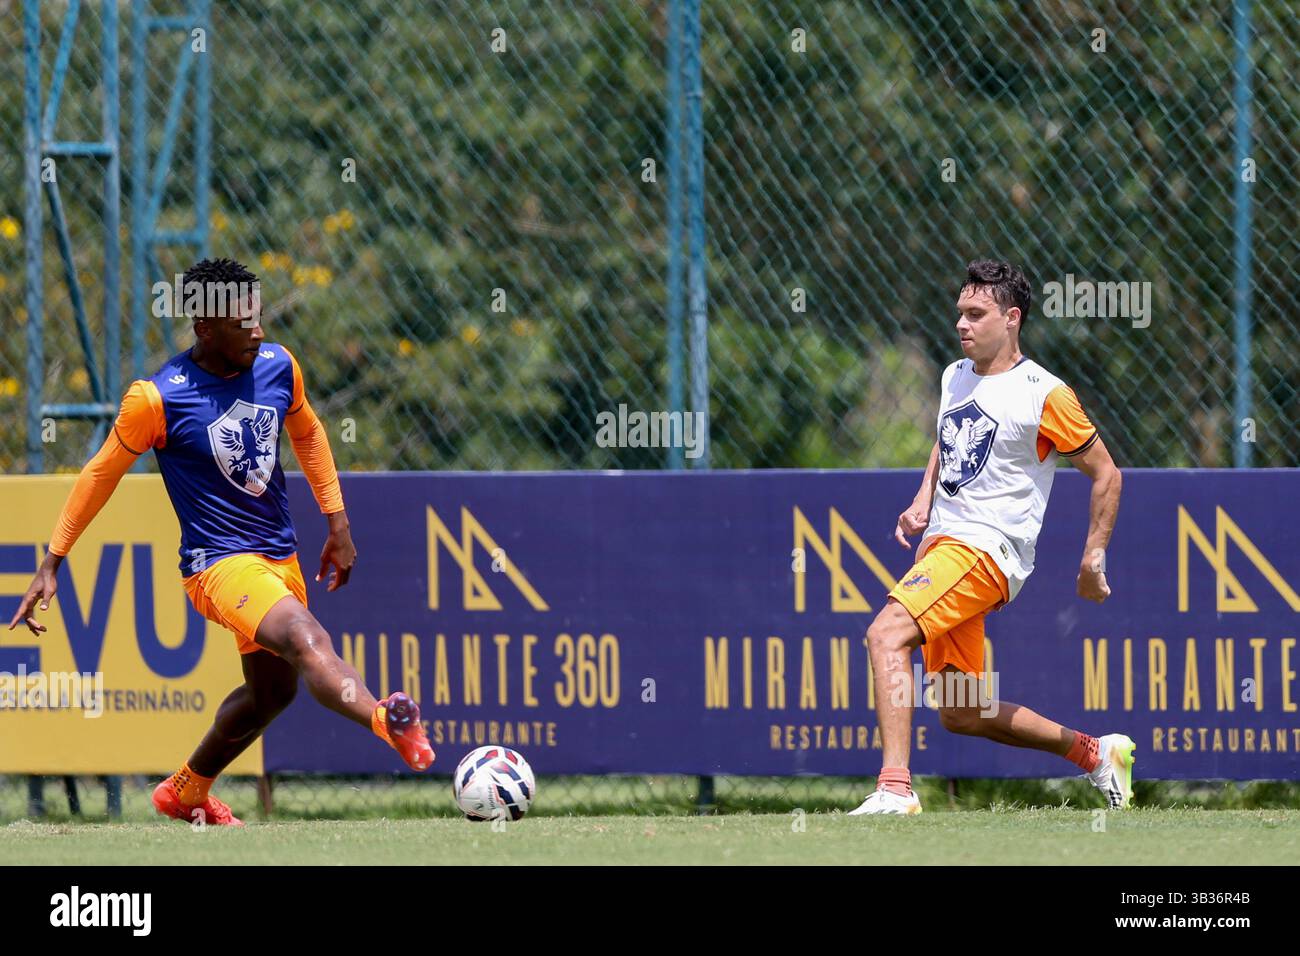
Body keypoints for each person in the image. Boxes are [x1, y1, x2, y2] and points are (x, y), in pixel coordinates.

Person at [8, 257, 434, 826]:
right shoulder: (156, 398)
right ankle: (388, 720)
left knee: (270, 695)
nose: (257, 330)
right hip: (218, 566)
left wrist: (337, 522)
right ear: (205, 329)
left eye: (258, 317)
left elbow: (307, 432)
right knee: (308, 639)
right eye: (242, 322)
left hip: (280, 558)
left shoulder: (279, 365)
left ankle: (183, 793)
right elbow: (99, 475)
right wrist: (53, 560)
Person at [852, 259, 1131, 815]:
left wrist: (1093, 554)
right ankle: (1097, 754)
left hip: (986, 551)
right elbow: (948, 439)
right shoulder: (954, 375)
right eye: (960, 312)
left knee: (885, 633)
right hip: (944, 544)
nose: (963, 323)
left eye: (976, 314)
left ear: (1011, 318)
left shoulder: (1044, 393)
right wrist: (922, 497)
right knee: (961, 710)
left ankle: (895, 789)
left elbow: (1106, 472)